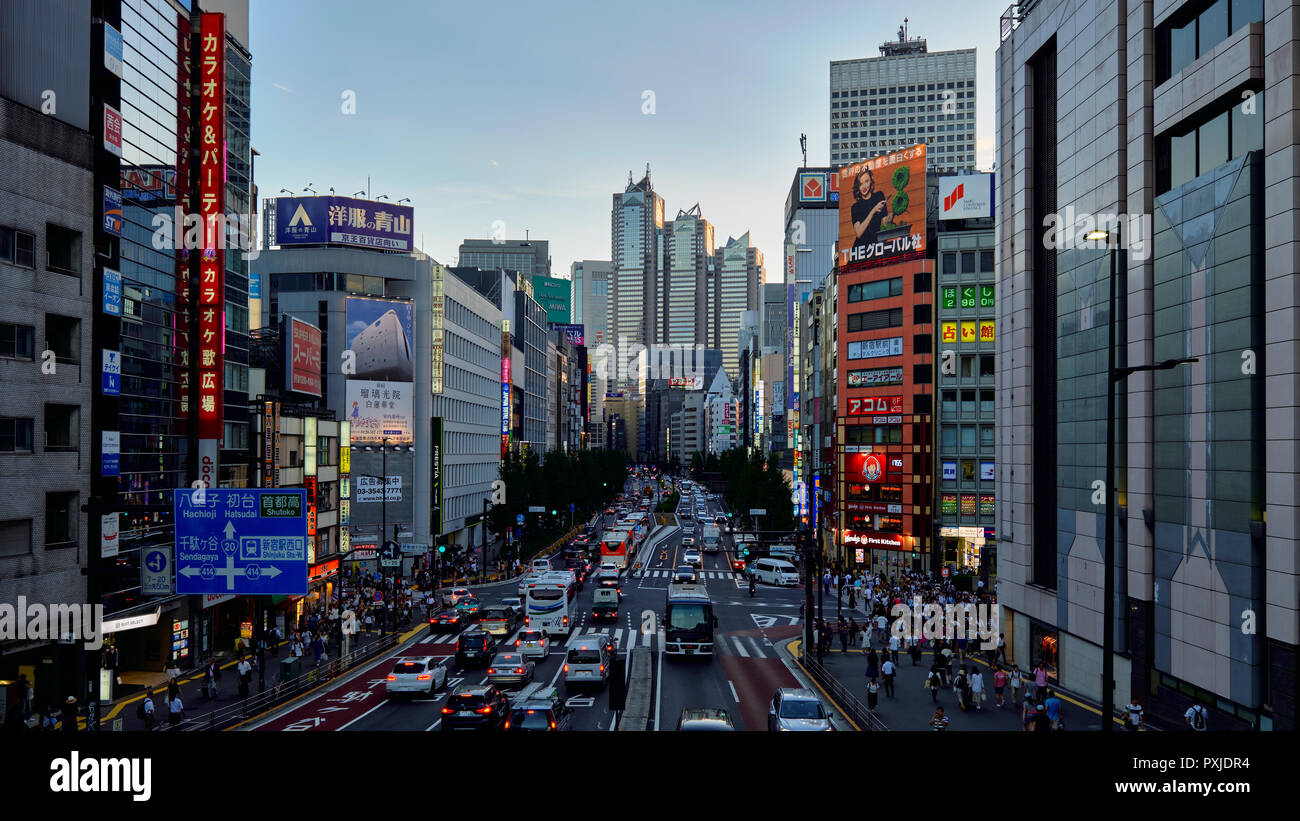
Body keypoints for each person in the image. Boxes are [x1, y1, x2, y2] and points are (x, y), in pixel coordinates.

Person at [850, 167, 889, 254]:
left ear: (871, 181)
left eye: (866, 181)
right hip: (860, 250)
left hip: (878, 245)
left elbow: (885, 223)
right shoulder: (856, 207)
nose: (864, 186)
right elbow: (858, 233)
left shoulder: (879, 196)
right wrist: (873, 211)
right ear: (858, 186)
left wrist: (894, 213)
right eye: (860, 184)